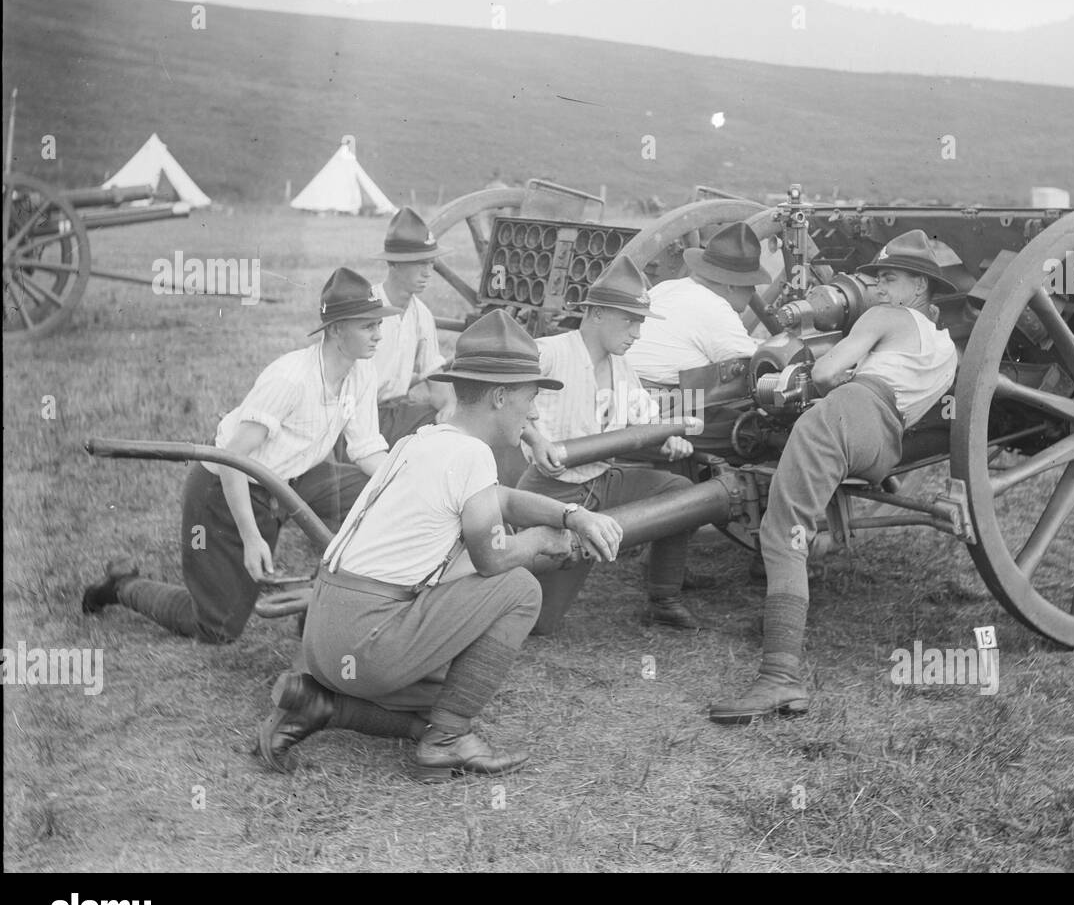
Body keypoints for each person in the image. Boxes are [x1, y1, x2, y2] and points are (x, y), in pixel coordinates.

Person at [254, 310, 623, 780]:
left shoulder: (421, 440)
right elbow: (492, 560)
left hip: (325, 637)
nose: (534, 414)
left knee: (450, 685)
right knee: (518, 590)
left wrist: (571, 514)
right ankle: (446, 740)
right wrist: (539, 541)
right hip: (365, 639)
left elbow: (501, 499)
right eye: (531, 399)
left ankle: (318, 704)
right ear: (500, 395)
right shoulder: (471, 455)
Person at [708, 230, 960, 723]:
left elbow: (824, 375)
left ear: (919, 288)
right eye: (877, 278)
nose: (879, 287)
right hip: (885, 443)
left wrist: (814, 380)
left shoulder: (885, 316)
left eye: (890, 278)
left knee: (784, 532)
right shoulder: (946, 351)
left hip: (845, 413)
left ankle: (780, 678)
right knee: (799, 520)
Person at [81, 268, 398, 644]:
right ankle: (121, 586)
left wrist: (407, 482)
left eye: (378, 324)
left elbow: (366, 449)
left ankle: (324, 599)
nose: (379, 335)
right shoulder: (291, 380)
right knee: (217, 628)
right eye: (368, 326)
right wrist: (251, 538)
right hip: (231, 484)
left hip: (296, 480)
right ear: (335, 329)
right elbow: (233, 458)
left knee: (380, 494)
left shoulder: (361, 372)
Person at [517, 254, 710, 634]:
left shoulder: (623, 369)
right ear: (596, 313)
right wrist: (536, 439)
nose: (637, 333)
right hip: (551, 492)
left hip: (603, 482)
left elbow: (646, 422)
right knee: (540, 623)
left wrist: (668, 441)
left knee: (680, 492)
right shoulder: (550, 352)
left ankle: (664, 599)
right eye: (629, 320)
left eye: (639, 322)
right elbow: (502, 393)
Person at [626, 221, 765, 389]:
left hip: (621, 384)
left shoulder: (666, 287)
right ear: (731, 286)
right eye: (751, 284)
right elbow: (755, 366)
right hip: (657, 398)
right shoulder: (715, 307)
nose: (753, 292)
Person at [368, 206, 457, 444]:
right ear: (394, 264)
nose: (428, 272)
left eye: (430, 263)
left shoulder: (421, 313)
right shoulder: (366, 307)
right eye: (419, 263)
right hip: (359, 417)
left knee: (453, 428)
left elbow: (433, 373)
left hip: (394, 412)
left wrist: (448, 405)